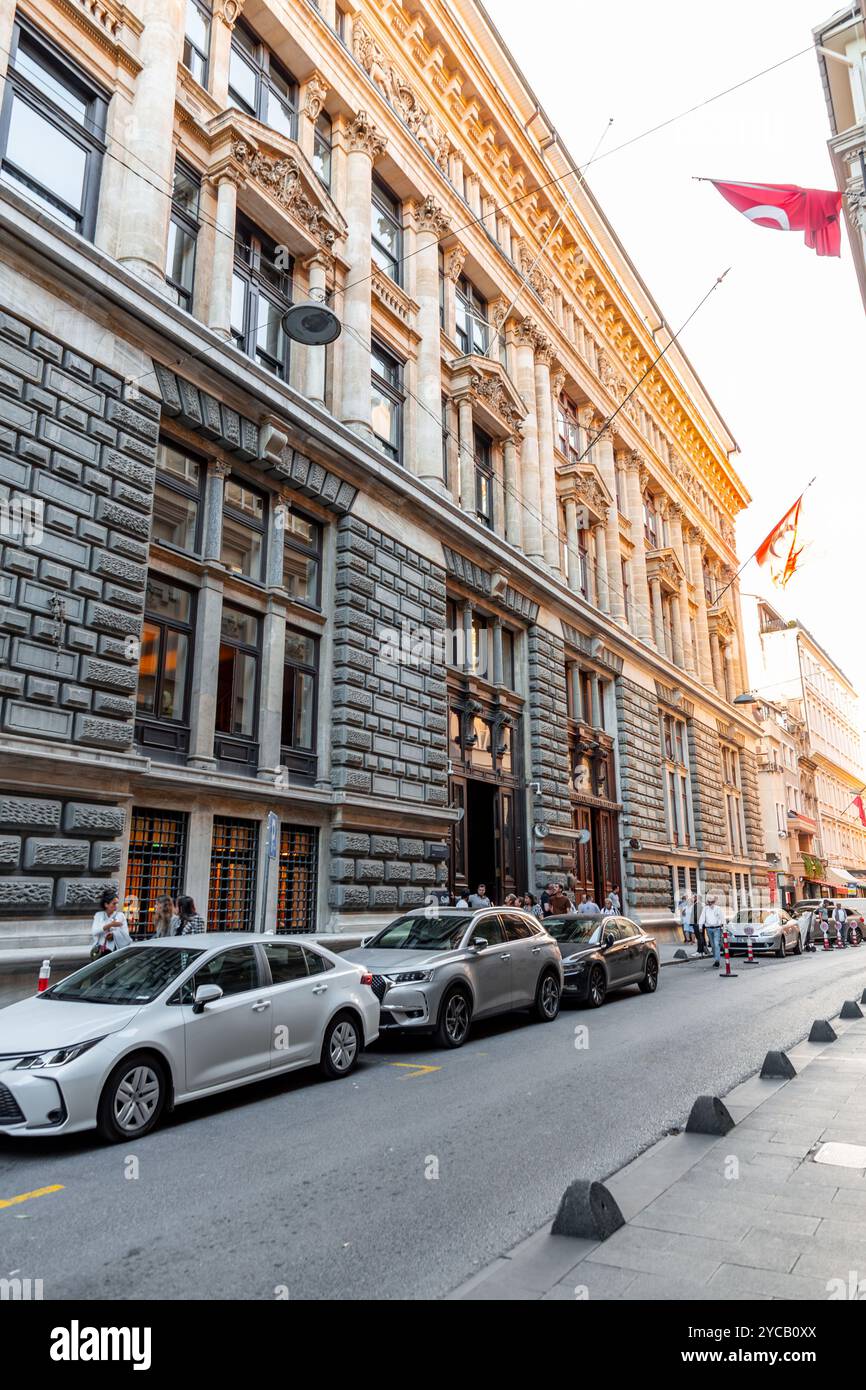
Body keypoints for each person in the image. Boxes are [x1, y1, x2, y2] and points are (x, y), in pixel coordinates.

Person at [91, 890, 132, 956]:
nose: (116, 905)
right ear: (106, 905)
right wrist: (110, 925)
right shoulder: (99, 915)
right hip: (100, 950)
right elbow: (94, 932)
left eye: (117, 903)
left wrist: (113, 935)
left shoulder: (120, 916)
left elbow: (126, 934)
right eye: (114, 903)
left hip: (115, 950)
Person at [700, 894, 726, 968]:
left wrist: (724, 925)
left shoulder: (718, 908)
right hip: (708, 929)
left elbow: (722, 917)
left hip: (717, 928)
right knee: (713, 945)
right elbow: (702, 917)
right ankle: (716, 958)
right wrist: (700, 926)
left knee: (716, 943)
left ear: (714, 902)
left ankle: (717, 961)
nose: (710, 904)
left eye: (711, 902)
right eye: (709, 902)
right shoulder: (705, 909)